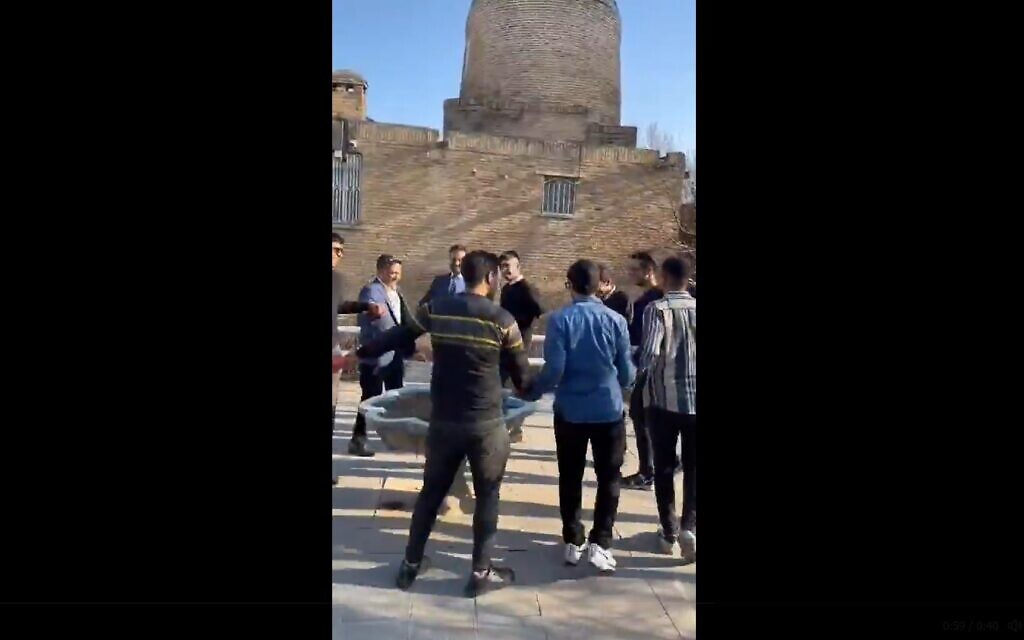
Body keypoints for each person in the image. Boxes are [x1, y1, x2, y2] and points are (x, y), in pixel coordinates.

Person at [356, 250, 531, 597]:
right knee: (487, 496)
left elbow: (400, 336)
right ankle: (480, 573)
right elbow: (522, 377)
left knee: (431, 494)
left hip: (444, 422)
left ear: (463, 275)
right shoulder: (503, 320)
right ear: (492, 278)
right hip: (486, 425)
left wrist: (360, 352)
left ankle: (410, 565)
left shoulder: (437, 308)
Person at [521, 260, 635, 573]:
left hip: (570, 410)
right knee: (609, 477)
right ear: (600, 285)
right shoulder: (615, 320)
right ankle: (601, 542)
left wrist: (532, 391)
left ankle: (573, 539)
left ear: (569, 285)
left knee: (570, 475)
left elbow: (554, 369)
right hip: (608, 409)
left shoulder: (560, 320)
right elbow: (626, 373)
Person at [637, 256, 697, 563]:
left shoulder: (656, 310)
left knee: (663, 466)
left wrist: (633, 383)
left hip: (662, 400)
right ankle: (690, 527)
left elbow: (648, 356)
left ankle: (669, 529)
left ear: (664, 276)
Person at [347, 254, 413, 457]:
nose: (395, 277)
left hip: (394, 355)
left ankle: (395, 438)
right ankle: (358, 441)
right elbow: (373, 320)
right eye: (392, 273)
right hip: (376, 356)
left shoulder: (396, 292)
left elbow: (402, 321)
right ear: (380, 271)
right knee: (370, 399)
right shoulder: (371, 291)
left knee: (396, 396)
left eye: (398, 274)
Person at [332, 234, 383, 482]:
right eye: (334, 249)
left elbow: (339, 306)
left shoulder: (337, 279)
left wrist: (365, 307)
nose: (338, 255)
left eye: (341, 251)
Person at [620, 251, 664, 490]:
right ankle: (649, 469)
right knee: (640, 417)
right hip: (644, 365)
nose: (631, 274)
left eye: (635, 269)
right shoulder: (645, 299)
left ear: (649, 271)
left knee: (643, 417)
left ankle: (648, 471)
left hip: (651, 368)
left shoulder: (656, 301)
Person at [498, 250, 544, 442]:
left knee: (517, 387)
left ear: (518, 267)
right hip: (504, 344)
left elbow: (540, 311)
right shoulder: (507, 289)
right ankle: (509, 427)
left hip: (519, 345)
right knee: (503, 386)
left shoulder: (527, 288)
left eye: (509, 266)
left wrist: (521, 324)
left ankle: (515, 428)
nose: (506, 270)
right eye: (503, 267)